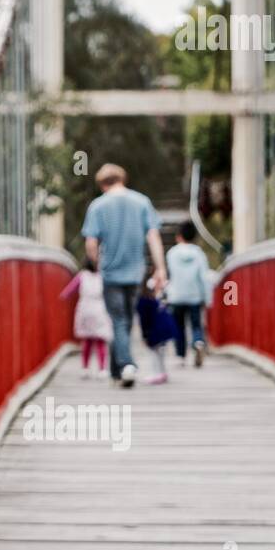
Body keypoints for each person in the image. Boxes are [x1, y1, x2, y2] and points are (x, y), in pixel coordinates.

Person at [80, 163, 167, 388]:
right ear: (122, 179)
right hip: (135, 272)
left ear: (102, 184)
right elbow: (153, 236)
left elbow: (91, 243)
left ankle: (126, 364)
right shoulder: (141, 202)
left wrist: (97, 264)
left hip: (111, 273)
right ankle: (117, 371)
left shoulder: (98, 206)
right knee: (126, 319)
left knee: (118, 319)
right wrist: (160, 268)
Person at [59, 256, 113, 379]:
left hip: (85, 309)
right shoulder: (102, 277)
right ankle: (102, 369)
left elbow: (68, 291)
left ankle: (85, 368)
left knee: (87, 341)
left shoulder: (82, 276)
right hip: (99, 308)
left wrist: (63, 297)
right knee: (100, 341)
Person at [165, 221, 209, 366]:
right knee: (196, 325)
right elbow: (204, 277)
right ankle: (198, 342)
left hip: (176, 295)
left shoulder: (172, 253)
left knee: (179, 327)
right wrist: (207, 298)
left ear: (179, 236)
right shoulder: (199, 254)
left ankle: (180, 356)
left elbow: (170, 275)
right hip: (195, 295)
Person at [136, 280, 180, 385]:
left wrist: (145, 335)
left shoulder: (143, 301)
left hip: (157, 330)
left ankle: (156, 373)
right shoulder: (155, 300)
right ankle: (163, 372)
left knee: (153, 351)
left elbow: (144, 321)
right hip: (167, 327)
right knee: (161, 351)